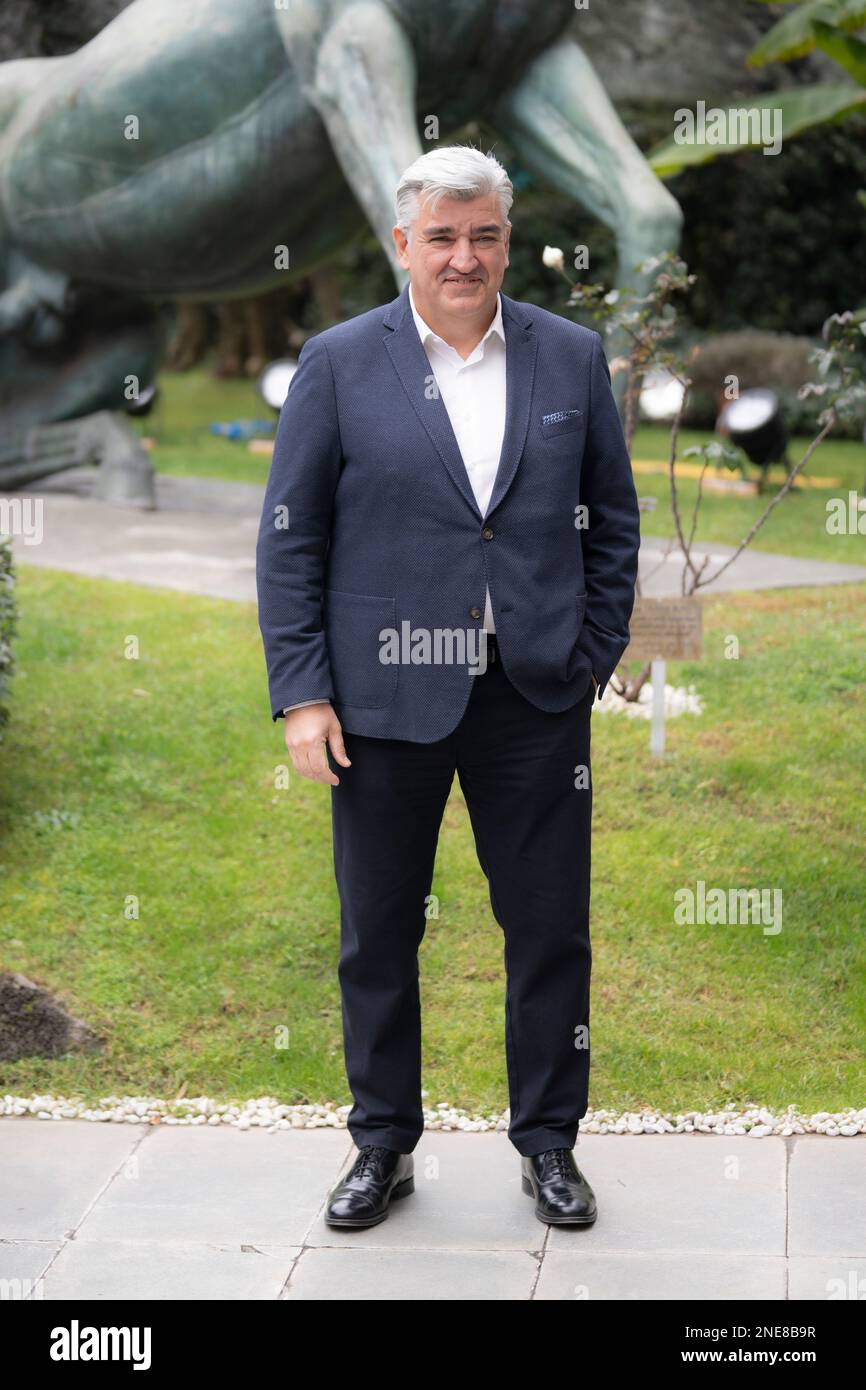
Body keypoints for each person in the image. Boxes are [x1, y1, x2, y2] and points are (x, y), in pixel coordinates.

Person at [256, 144, 640, 1228]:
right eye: (441, 235)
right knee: (376, 933)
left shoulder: (568, 358)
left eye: (482, 235)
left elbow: (610, 520)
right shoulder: (336, 362)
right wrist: (301, 693)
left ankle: (548, 1146)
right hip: (379, 706)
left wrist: (590, 652)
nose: (462, 256)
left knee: (549, 929)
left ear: (505, 241)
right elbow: (291, 541)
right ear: (403, 244)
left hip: (532, 698)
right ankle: (382, 1144)